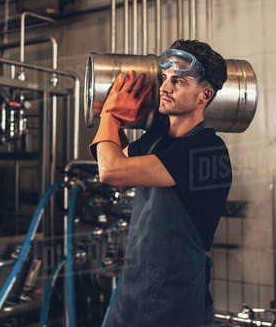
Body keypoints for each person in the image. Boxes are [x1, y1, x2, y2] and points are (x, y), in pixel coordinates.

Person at [89, 40, 233, 327]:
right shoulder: (158, 141)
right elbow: (110, 159)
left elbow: (111, 171)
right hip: (133, 288)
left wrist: (111, 115)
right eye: (164, 78)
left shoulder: (207, 151)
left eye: (178, 81)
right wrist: (118, 122)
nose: (165, 88)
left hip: (172, 301)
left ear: (205, 94)